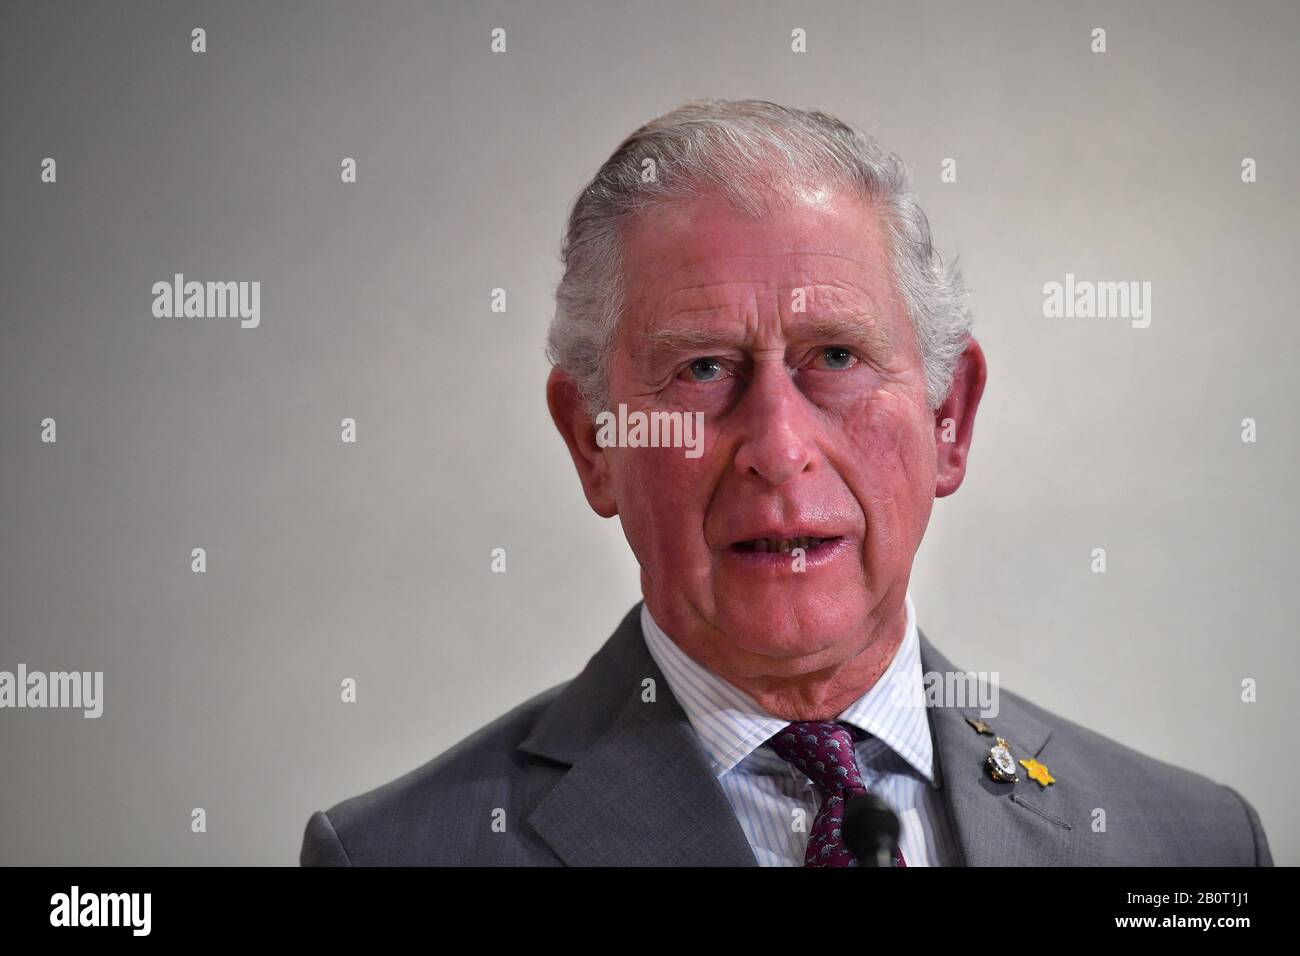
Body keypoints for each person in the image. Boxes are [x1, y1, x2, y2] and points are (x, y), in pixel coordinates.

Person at [300, 100, 1271, 866]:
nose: (776, 443)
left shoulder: (1191, 844)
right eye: (703, 369)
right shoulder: (396, 852)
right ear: (595, 440)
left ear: (949, 418)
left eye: (836, 355)